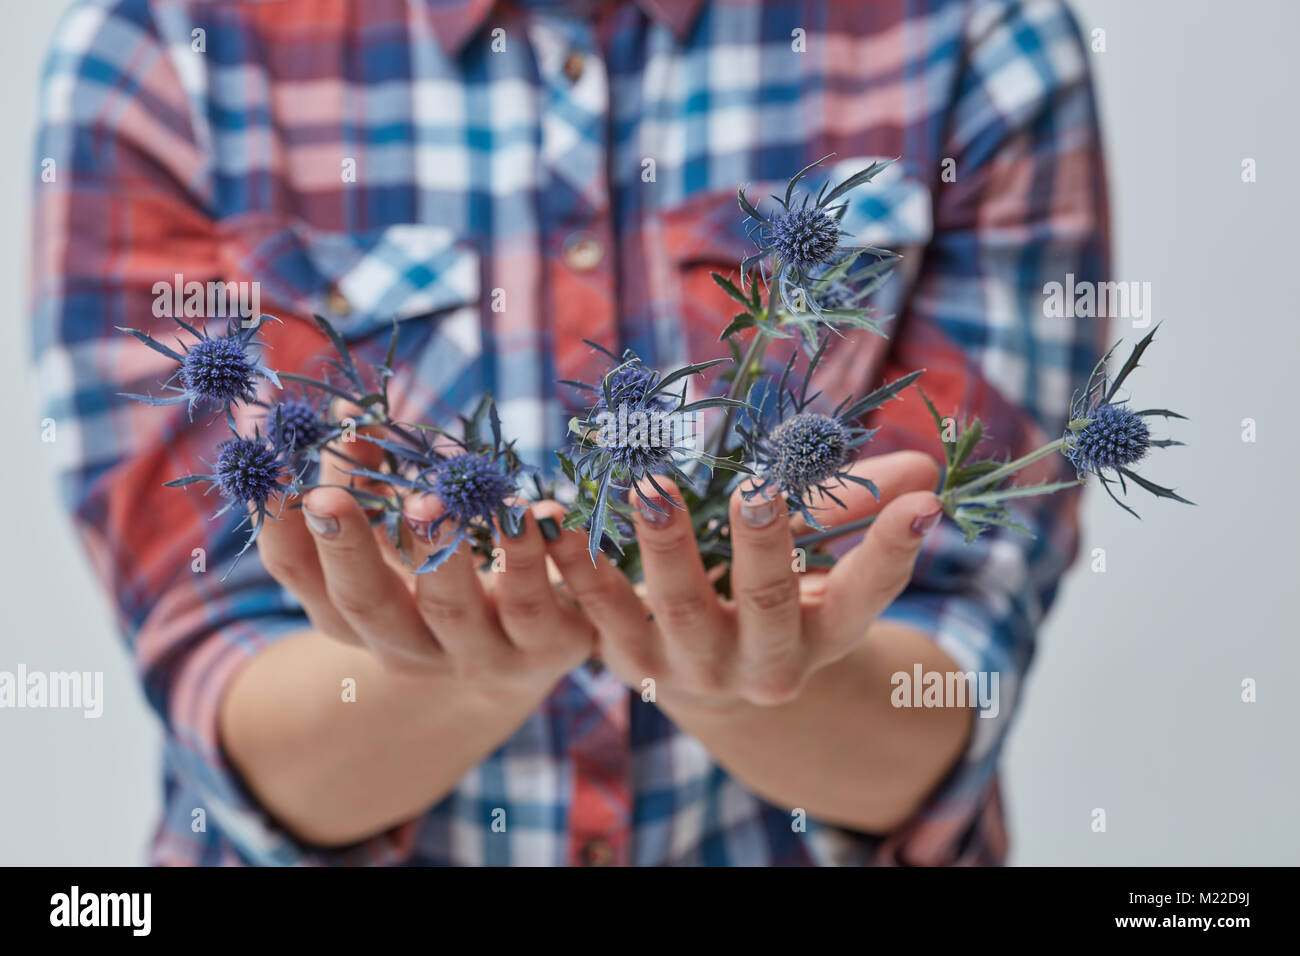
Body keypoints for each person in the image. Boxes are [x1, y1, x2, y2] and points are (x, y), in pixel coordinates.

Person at [31, 0, 1107, 866]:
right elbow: (219, 684)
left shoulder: (972, 32)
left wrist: (745, 659)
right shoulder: (160, 45)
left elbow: (950, 689)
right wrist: (464, 669)